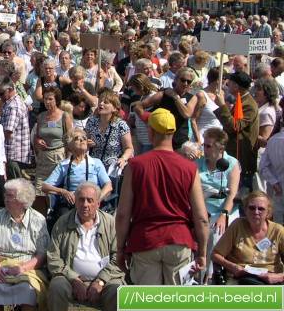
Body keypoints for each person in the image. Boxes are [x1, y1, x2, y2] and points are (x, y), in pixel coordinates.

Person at [115, 108, 210, 285]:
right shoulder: (189, 168)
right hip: (179, 241)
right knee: (175, 303)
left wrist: (120, 249)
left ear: (151, 132)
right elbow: (202, 218)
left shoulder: (135, 165)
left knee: (148, 303)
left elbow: (122, 214)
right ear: (172, 133)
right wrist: (203, 253)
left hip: (145, 240)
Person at [0, 178, 50, 311]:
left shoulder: (38, 220)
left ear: (22, 199)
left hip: (28, 268)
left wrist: (23, 269)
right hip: (2, 266)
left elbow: (42, 254)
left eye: (10, 196)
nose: (5, 199)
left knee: (28, 289)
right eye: (5, 194)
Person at [46, 182, 124, 311]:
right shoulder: (62, 223)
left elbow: (119, 256)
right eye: (81, 200)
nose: (85, 204)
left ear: (98, 203)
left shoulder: (110, 223)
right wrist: (74, 279)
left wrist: (100, 281)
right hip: (69, 278)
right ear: (75, 202)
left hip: (106, 280)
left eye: (90, 200)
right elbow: (53, 257)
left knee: (117, 291)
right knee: (57, 286)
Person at [42, 129, 112, 226]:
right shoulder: (64, 165)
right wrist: (63, 192)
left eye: (84, 138)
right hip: (71, 204)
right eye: (77, 138)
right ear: (70, 146)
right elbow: (45, 186)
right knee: (63, 220)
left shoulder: (96, 163)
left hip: (92, 202)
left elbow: (108, 186)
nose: (82, 140)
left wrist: (97, 200)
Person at [212, 191, 284, 284]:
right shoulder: (237, 225)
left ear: (268, 213)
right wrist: (232, 267)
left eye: (261, 209)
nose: (256, 212)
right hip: (240, 278)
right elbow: (215, 254)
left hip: (270, 280)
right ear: (245, 209)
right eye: (252, 208)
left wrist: (279, 277)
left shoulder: (277, 231)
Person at [197, 127, 240, 282]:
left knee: (216, 233)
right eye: (204, 145)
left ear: (220, 148)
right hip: (202, 208)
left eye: (208, 146)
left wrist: (223, 215)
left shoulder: (232, 164)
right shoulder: (198, 163)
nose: (204, 149)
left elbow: (232, 194)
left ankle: (210, 277)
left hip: (224, 209)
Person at [33, 88, 73, 213]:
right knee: (39, 192)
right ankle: (42, 219)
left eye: (50, 99)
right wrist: (38, 140)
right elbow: (37, 136)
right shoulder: (41, 117)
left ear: (56, 100)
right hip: (43, 158)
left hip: (59, 157)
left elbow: (69, 139)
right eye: (45, 99)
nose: (47, 102)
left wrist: (68, 161)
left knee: (56, 190)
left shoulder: (64, 116)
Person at [216, 71, 259, 189]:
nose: (227, 84)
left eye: (230, 82)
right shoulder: (241, 100)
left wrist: (222, 106)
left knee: (239, 195)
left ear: (236, 86)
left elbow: (234, 126)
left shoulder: (248, 104)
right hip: (234, 154)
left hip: (241, 158)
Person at [0, 77, 32, 180]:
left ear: (10, 90)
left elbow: (8, 132)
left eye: (1, 94)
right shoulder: (8, 103)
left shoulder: (13, 107)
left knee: (15, 186)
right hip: (11, 154)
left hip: (13, 154)